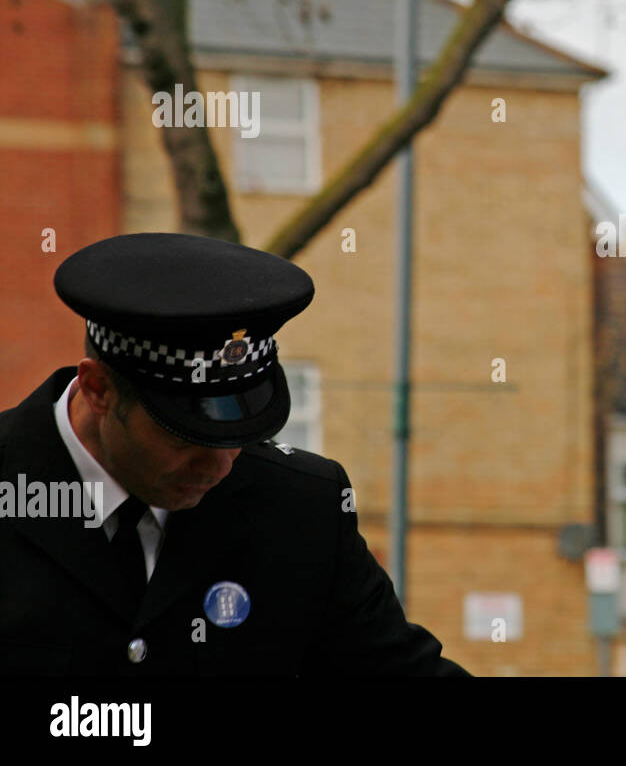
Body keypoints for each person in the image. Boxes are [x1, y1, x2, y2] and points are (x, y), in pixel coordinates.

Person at [0, 232, 467, 675]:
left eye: (239, 437)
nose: (219, 467)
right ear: (98, 389)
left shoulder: (302, 509)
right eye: (184, 438)